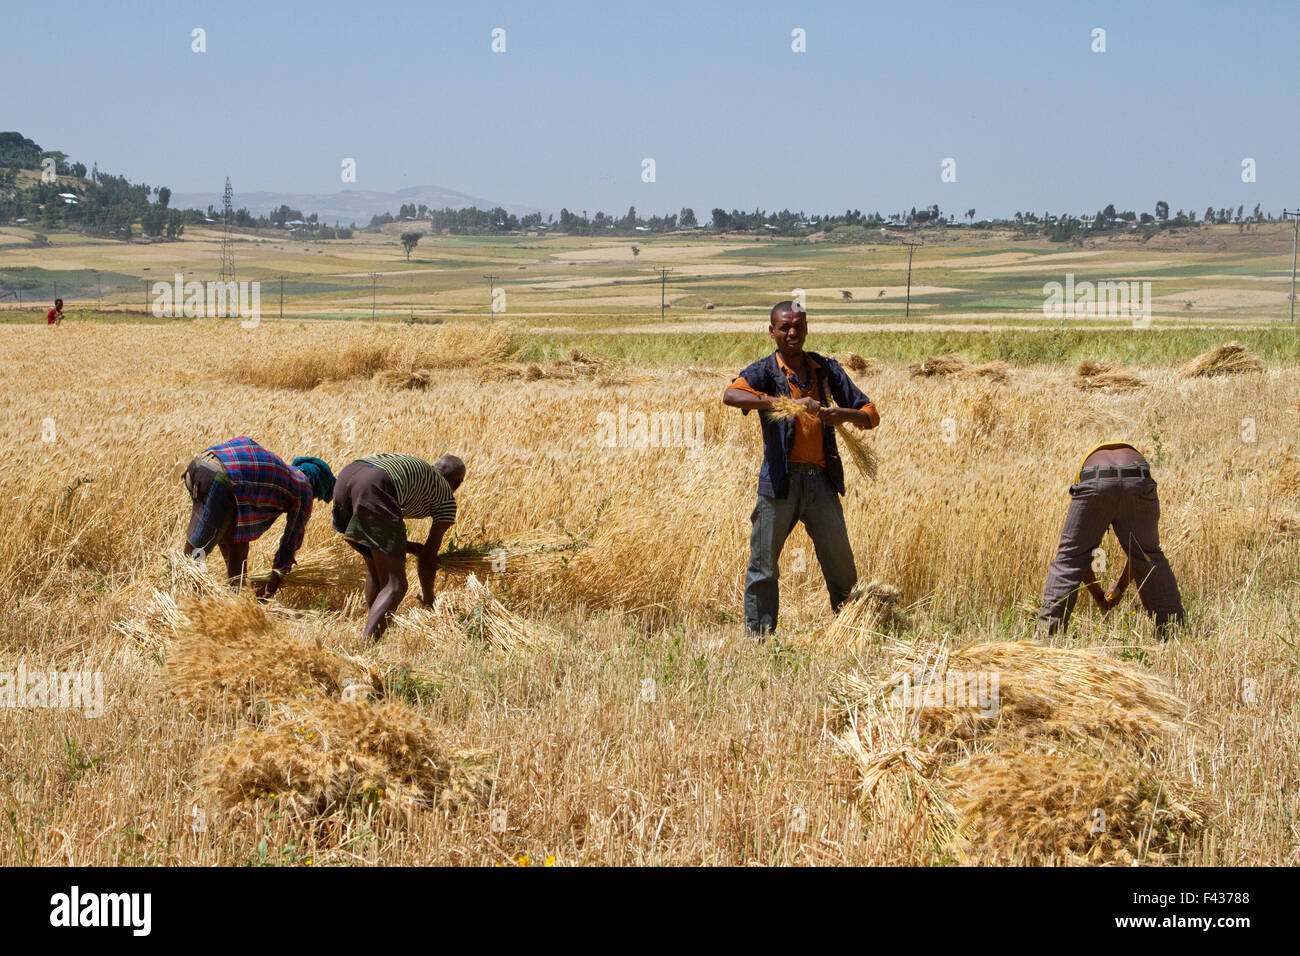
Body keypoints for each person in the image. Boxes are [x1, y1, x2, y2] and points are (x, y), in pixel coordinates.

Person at [722, 301, 880, 638]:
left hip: (821, 481)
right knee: (763, 566)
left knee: (841, 566)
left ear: (806, 328)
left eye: (799, 326)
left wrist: (844, 414)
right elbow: (731, 395)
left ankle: (851, 632)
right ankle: (760, 640)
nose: (793, 333)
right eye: (785, 327)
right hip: (779, 483)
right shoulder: (764, 371)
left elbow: (870, 414)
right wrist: (791, 404)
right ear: (772, 332)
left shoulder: (826, 370)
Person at [1037, 441, 1185, 636]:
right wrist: (1115, 589)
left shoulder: (1087, 483)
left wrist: (1100, 595)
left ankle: (1048, 636)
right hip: (1137, 477)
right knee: (1147, 556)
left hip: (1094, 477)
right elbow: (1138, 557)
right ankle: (1173, 631)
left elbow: (1078, 560)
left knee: (1069, 559)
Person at [331, 453, 464, 640]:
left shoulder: (421, 474)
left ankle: (375, 626)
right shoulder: (446, 498)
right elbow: (427, 560)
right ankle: (366, 646)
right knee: (396, 584)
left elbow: (380, 538)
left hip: (347, 477)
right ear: (458, 483)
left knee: (377, 570)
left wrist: (408, 547)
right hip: (376, 485)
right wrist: (428, 599)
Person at [182, 437, 334, 600]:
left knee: (236, 544)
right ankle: (183, 596)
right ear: (317, 486)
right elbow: (290, 542)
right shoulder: (304, 488)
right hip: (221, 477)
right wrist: (271, 587)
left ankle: (236, 596)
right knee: (199, 549)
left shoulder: (284, 473)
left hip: (200, 465)